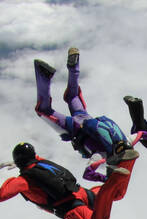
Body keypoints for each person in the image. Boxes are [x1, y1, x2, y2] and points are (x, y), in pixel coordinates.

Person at [0, 141, 136, 219]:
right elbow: (34, 158)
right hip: (82, 193)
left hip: (73, 209)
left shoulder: (23, 181)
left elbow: (0, 196)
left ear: (19, 162)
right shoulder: (40, 163)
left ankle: (115, 177)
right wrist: (20, 162)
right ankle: (127, 159)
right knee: (117, 194)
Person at [34, 48, 132, 182]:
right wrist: (106, 180)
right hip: (73, 129)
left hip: (86, 118)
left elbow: (143, 134)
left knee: (72, 95)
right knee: (43, 110)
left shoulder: (127, 141)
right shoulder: (101, 155)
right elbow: (87, 174)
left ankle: (74, 66)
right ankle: (43, 76)